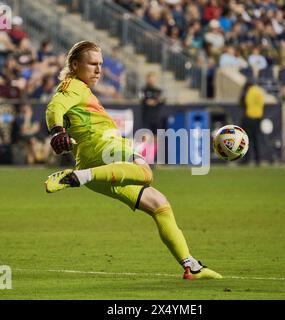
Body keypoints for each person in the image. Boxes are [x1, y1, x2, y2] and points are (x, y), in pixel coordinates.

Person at [44, 41, 222, 280]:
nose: (98, 70)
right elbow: (54, 107)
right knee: (146, 172)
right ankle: (77, 178)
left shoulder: (81, 89)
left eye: (101, 64)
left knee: (159, 204)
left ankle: (191, 265)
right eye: (93, 64)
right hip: (104, 149)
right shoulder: (72, 85)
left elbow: (57, 108)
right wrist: (56, 130)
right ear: (75, 65)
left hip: (93, 166)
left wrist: (59, 132)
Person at [240, 80, 265, 165]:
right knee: (256, 139)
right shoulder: (259, 91)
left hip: (249, 117)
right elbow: (262, 103)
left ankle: (246, 159)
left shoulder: (249, 92)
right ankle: (258, 159)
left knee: (246, 140)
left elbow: (245, 102)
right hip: (258, 118)